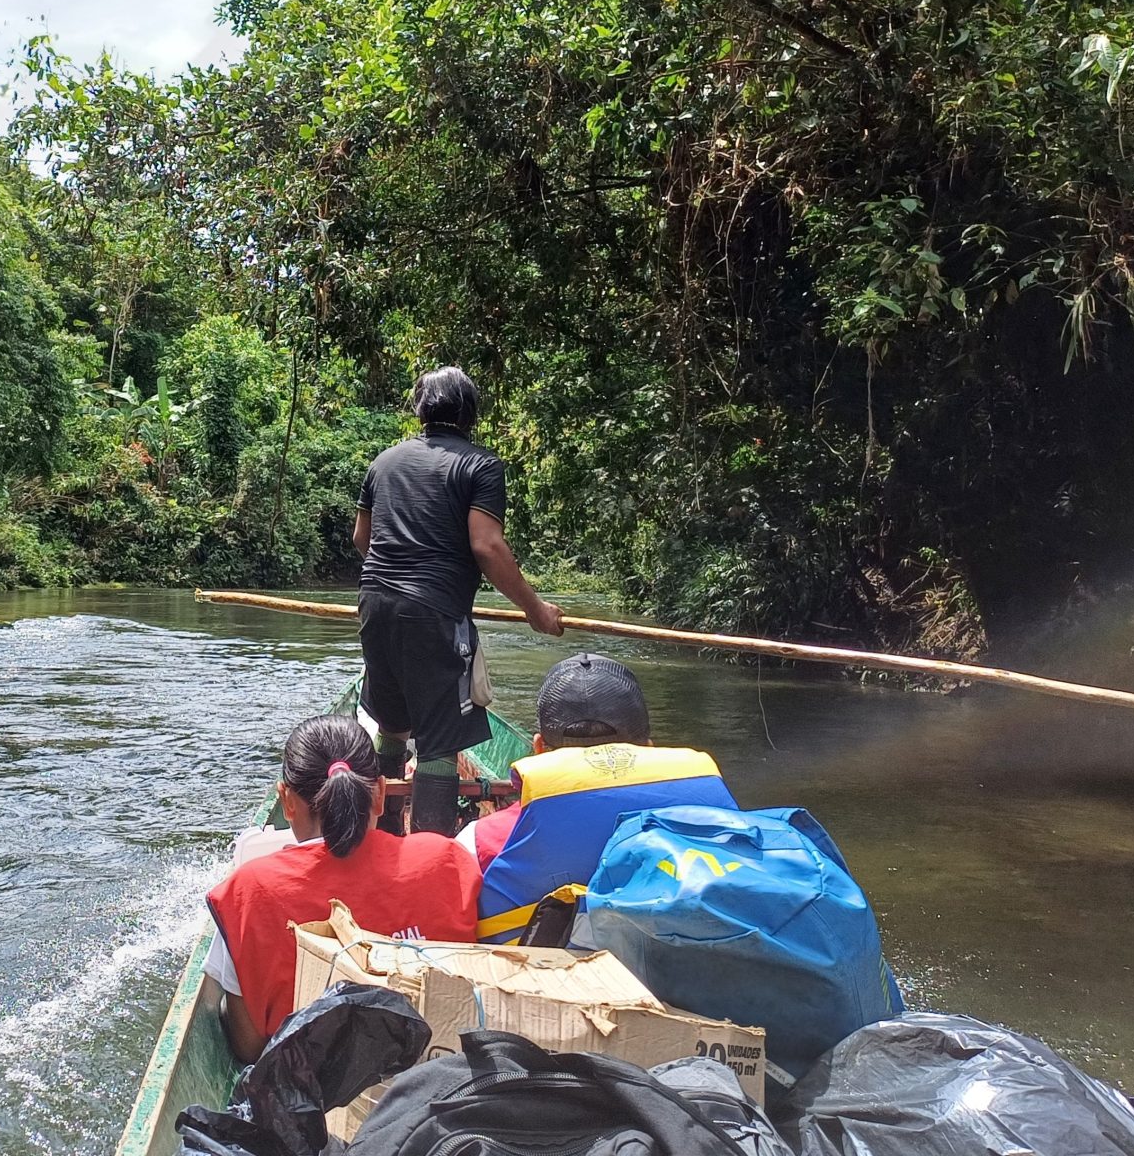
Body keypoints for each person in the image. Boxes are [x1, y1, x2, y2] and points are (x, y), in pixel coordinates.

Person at [354, 366, 565, 837]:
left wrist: (398, 577)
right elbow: (486, 546)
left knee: (392, 724)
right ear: (470, 414)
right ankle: (430, 862)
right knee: (440, 744)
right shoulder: (481, 466)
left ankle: (382, 839)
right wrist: (536, 612)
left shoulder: (382, 463)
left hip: (374, 603)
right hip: (433, 613)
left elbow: (362, 539)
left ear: (420, 410)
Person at [204, 715, 480, 1062]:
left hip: (311, 1095)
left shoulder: (248, 890)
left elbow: (249, 1048)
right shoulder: (449, 860)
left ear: (287, 802)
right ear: (379, 794)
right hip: (437, 1072)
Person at [469, 652, 738, 943]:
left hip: (536, 978)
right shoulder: (720, 827)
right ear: (649, 748)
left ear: (538, 750)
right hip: (676, 979)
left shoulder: (484, 840)